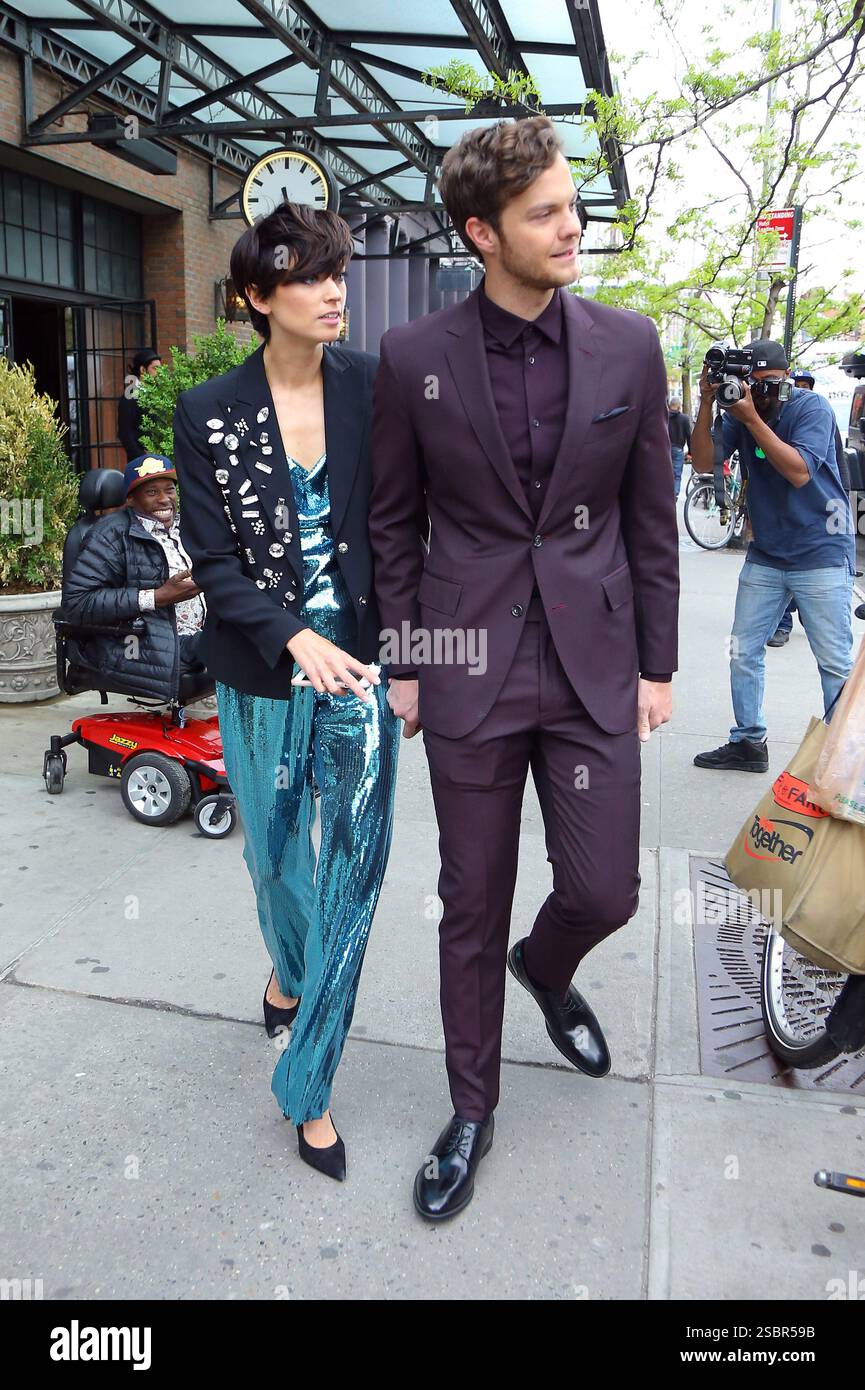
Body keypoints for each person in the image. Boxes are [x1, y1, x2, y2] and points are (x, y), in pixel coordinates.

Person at [370, 115, 679, 1221]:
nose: (572, 227)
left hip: (594, 662)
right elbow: (392, 523)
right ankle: (470, 1107)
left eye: (571, 204)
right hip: (467, 667)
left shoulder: (627, 345)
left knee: (604, 887)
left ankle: (544, 969)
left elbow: (652, 518)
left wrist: (657, 662)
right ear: (480, 234)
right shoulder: (413, 361)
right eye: (545, 211)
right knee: (470, 896)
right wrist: (406, 661)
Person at [173, 202, 399, 1183]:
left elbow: (404, 526)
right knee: (278, 870)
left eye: (336, 271)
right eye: (306, 276)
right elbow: (212, 562)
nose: (332, 290)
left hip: (362, 675)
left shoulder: (374, 388)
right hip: (262, 676)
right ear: (257, 297)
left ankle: (308, 1086)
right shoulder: (209, 411)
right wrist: (292, 632)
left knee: (352, 884)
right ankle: (285, 970)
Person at [692, 340, 855, 772]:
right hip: (767, 553)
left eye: (770, 385)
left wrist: (749, 418)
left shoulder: (811, 408)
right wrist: (709, 403)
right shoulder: (741, 410)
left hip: (820, 549)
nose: (761, 394)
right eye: (753, 385)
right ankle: (748, 741)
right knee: (742, 649)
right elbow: (704, 463)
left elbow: (800, 471)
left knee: (835, 663)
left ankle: (842, 761)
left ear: (787, 377)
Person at [61, 454, 205, 700]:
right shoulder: (109, 535)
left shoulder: (185, 526)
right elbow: (77, 603)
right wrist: (156, 597)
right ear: (130, 499)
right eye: (151, 492)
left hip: (203, 632)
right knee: (243, 642)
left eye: (169, 490)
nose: (164, 499)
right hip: (148, 644)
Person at [118, 348, 162, 463]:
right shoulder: (131, 395)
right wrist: (141, 457)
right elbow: (125, 433)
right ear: (143, 369)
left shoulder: (157, 393)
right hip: (142, 462)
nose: (159, 372)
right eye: (155, 368)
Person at [667, 396, 691, 498]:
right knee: (677, 475)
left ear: (669, 406)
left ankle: (665, 493)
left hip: (665, 448)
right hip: (678, 449)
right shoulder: (684, 419)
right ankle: (674, 495)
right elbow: (689, 436)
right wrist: (690, 452)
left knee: (665, 472)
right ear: (679, 406)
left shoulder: (664, 417)